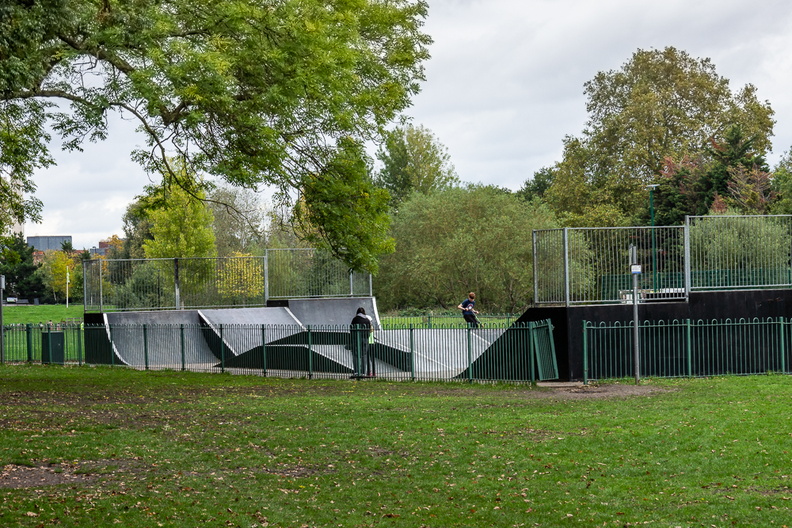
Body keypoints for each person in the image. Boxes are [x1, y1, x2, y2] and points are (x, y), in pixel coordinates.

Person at [350, 307, 373, 378]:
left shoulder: (355, 319)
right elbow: (370, 330)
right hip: (365, 339)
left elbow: (351, 329)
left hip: (356, 339)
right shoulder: (367, 320)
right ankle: (363, 372)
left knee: (355, 355)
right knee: (364, 355)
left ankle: (356, 371)